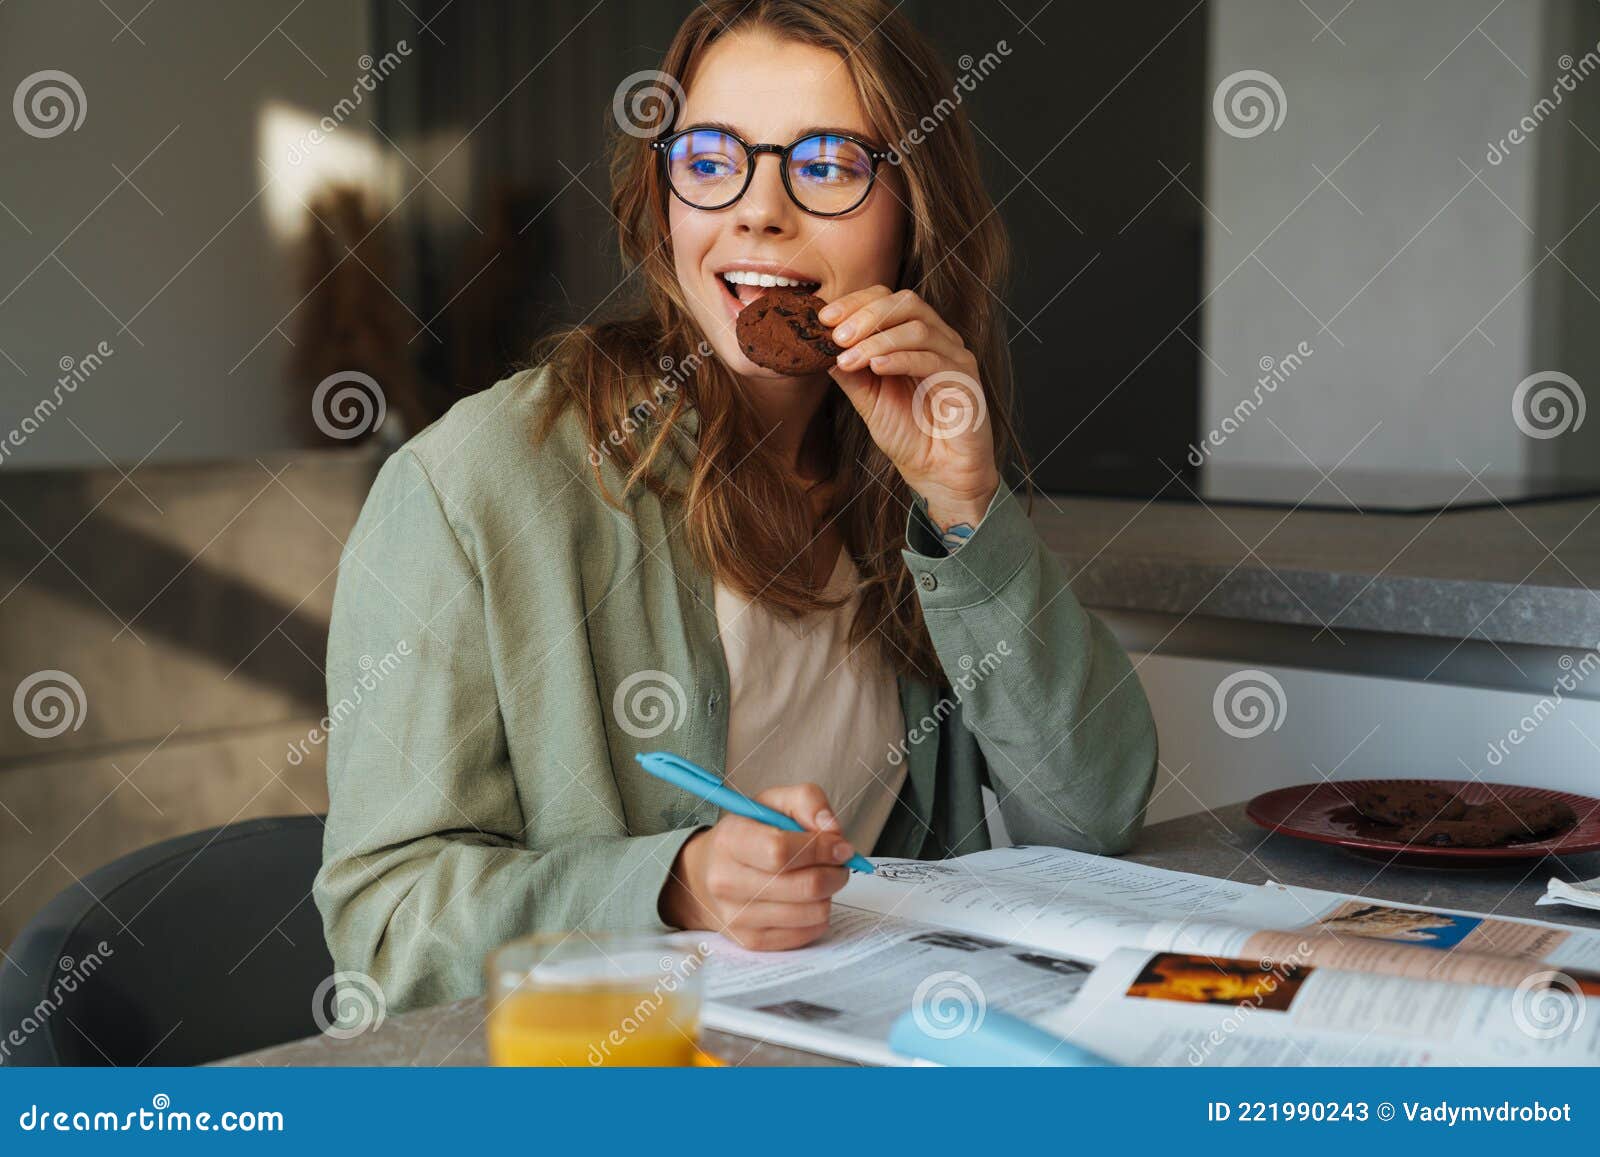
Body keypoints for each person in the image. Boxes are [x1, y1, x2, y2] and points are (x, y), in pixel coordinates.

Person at [316, 0, 1158, 1014]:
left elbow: (1093, 811)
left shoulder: (903, 468)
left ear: (914, 213)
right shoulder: (473, 485)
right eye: (711, 159)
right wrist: (673, 886)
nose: (758, 210)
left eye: (828, 164)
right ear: (663, 196)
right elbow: (385, 929)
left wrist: (968, 507)